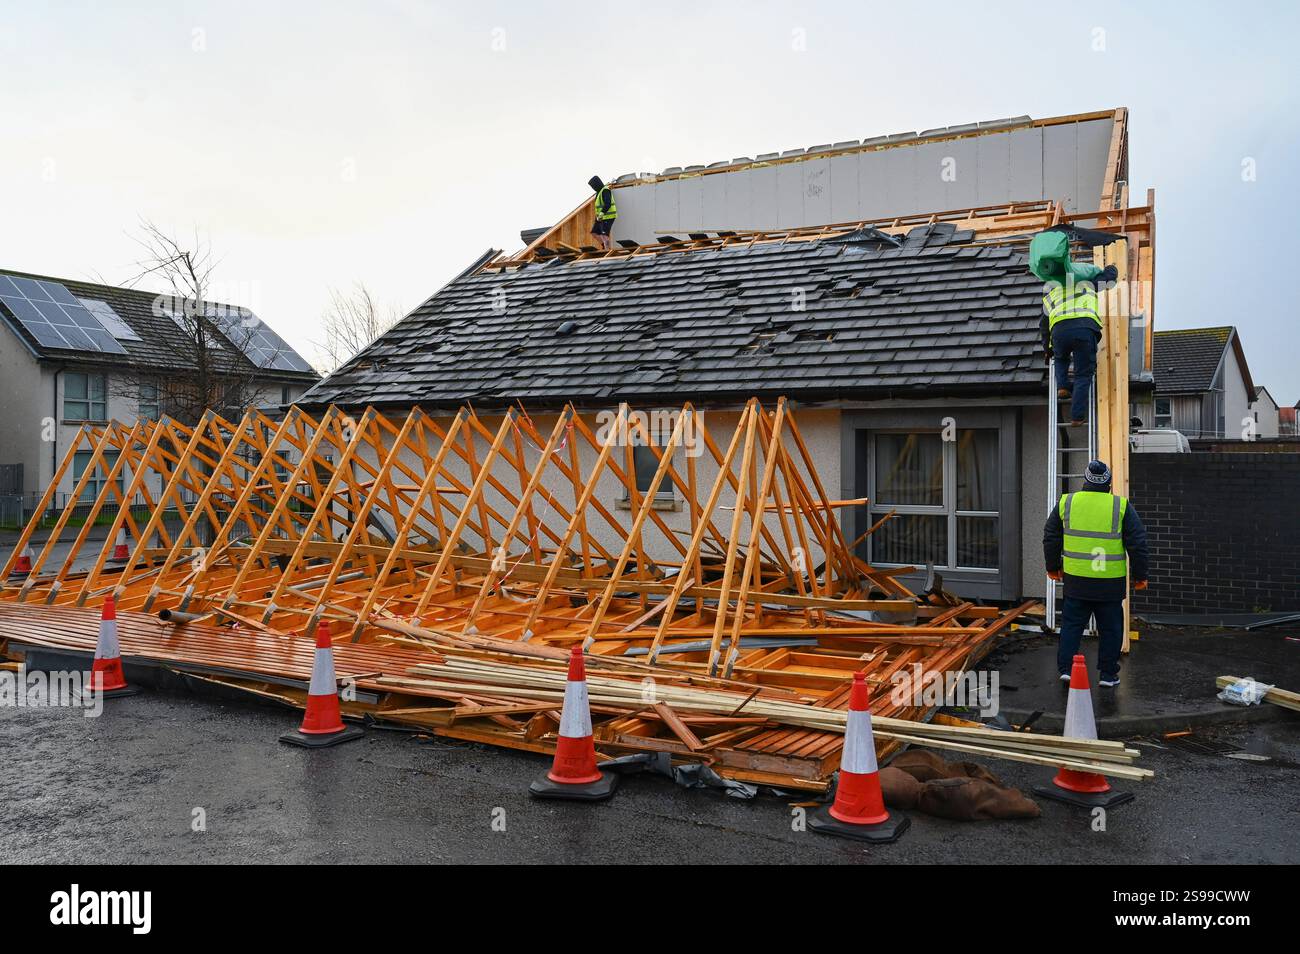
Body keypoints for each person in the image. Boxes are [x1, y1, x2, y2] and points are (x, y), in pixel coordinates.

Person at [1042, 459, 1149, 687]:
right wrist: (1140, 576)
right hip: (1109, 584)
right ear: (1108, 483)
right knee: (1110, 630)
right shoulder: (1120, 506)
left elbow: (1051, 536)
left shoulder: (1067, 502)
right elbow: (1138, 543)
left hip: (1076, 581)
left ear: (1085, 482)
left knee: (1072, 626)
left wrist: (1052, 567)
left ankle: (1067, 670)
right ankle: (1108, 675)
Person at [1029, 230, 1118, 426]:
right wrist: (1113, 268)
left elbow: (1043, 325)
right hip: (1084, 329)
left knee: (1060, 359)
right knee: (1083, 373)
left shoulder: (1052, 293)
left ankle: (1062, 386)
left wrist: (1047, 349)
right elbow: (1109, 279)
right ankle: (1077, 416)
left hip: (1059, 332)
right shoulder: (1088, 283)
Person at [588, 175, 617, 250]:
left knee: (604, 235)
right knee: (594, 232)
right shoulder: (598, 192)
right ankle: (604, 246)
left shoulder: (605, 190)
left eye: (593, 186)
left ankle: (607, 251)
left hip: (608, 216)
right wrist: (598, 216)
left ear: (597, 184)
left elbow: (608, 203)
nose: (592, 188)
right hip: (600, 217)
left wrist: (601, 213)